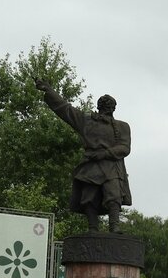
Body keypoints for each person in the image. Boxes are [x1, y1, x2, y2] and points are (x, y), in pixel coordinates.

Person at [34, 77, 132, 232]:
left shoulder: (122, 126)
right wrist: (49, 91)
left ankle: (115, 226)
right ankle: (93, 228)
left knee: (114, 196)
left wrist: (106, 153)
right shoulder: (87, 120)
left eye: (110, 105)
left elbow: (125, 148)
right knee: (89, 197)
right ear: (100, 106)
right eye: (106, 105)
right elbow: (65, 109)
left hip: (111, 166)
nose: (108, 107)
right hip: (91, 165)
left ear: (114, 108)